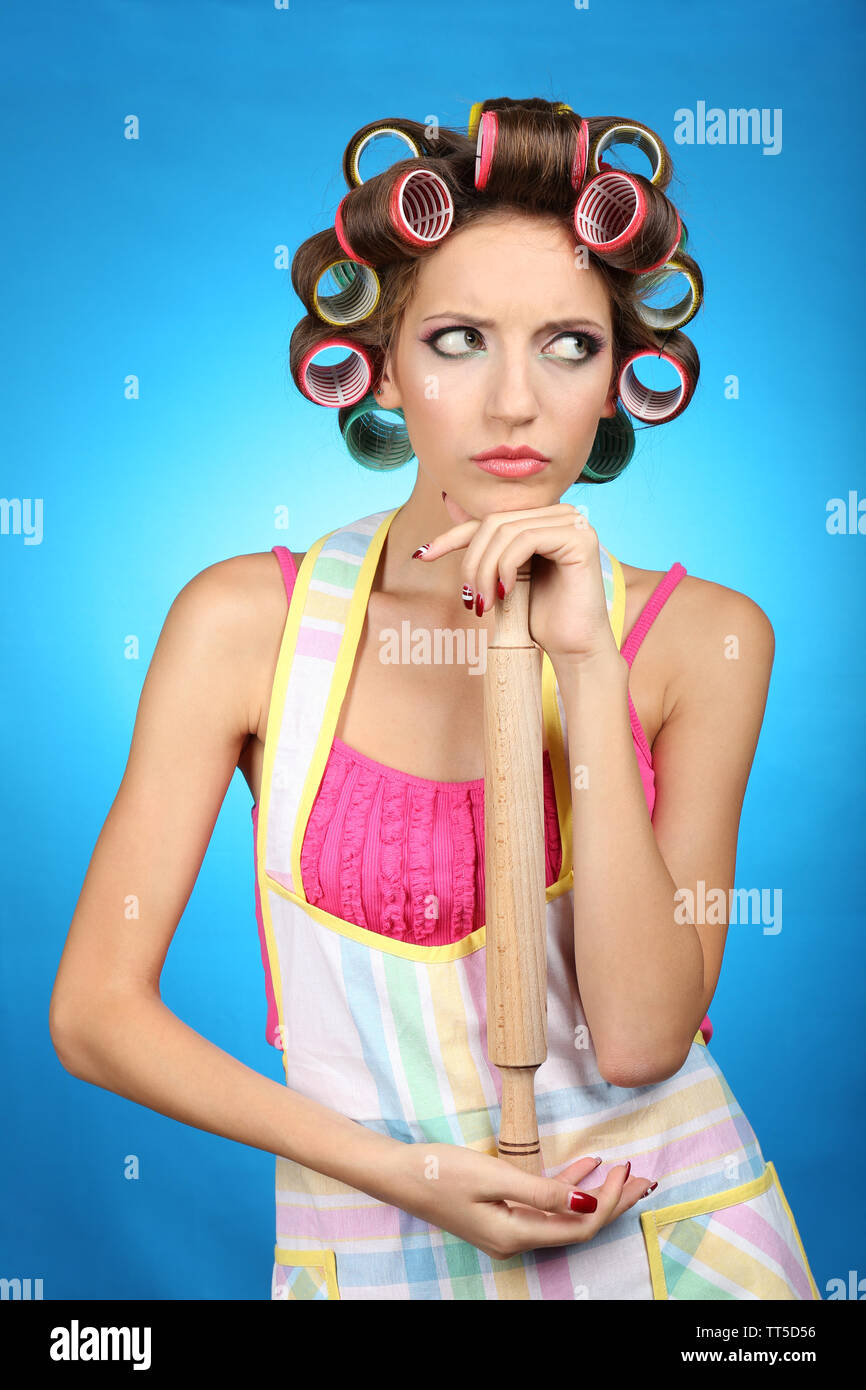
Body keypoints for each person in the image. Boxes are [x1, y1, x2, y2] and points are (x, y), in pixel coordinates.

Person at [50, 97, 819, 1301]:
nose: (514, 401)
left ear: (622, 375)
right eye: (458, 339)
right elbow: (94, 1011)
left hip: (679, 1260)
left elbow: (638, 1041)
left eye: (568, 344)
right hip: (372, 1251)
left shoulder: (703, 640)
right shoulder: (246, 626)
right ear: (384, 370)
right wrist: (399, 1172)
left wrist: (584, 663)